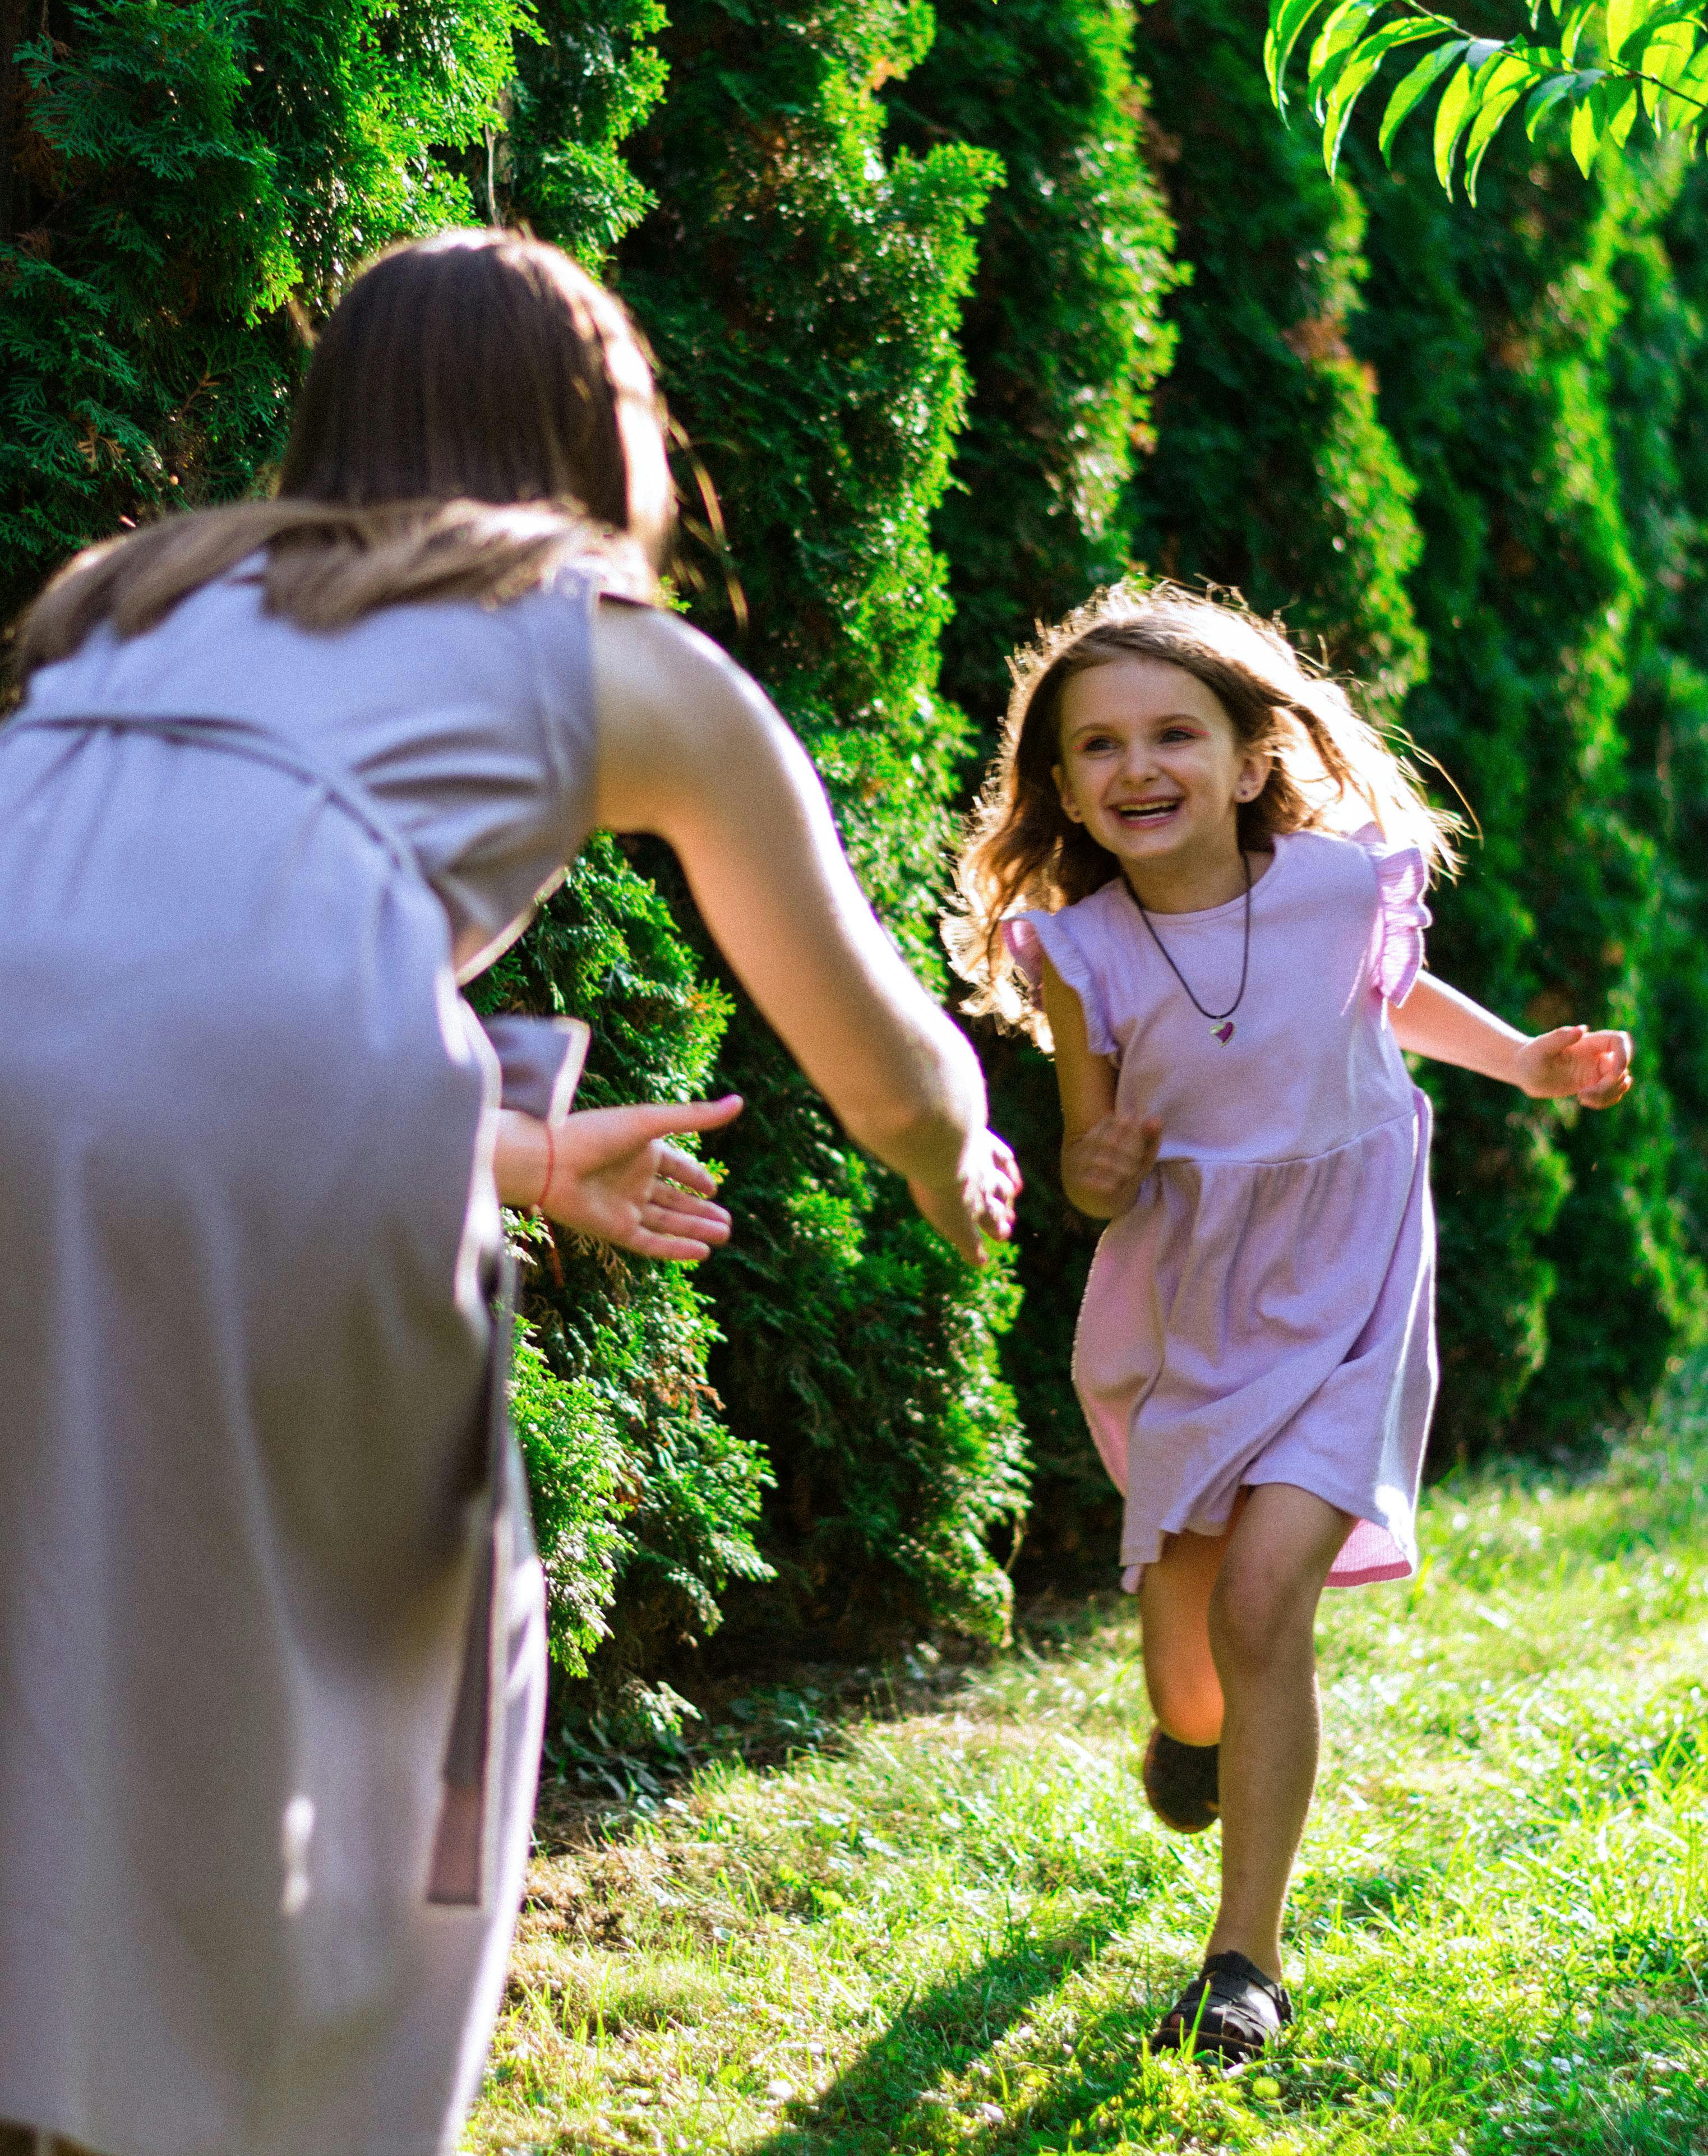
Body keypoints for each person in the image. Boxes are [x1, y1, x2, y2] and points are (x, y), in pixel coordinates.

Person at [0, 228, 1019, 2156]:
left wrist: (530, 1155)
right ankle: (241, 2105)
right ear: (592, 431)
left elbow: (127, 997)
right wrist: (951, 1143)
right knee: (394, 1659)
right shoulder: (604, 651)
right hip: (255, 1139)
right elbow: (872, 1033)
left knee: (46, 1594)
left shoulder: (125, 595)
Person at [946, 581, 1631, 2065]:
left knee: (1266, 1604)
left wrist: (1525, 1060)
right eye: (1100, 746)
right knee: (1187, 1630)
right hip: (1193, 1290)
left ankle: (1243, 1956)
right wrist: (1096, 1162)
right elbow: (1084, 1155)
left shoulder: (1334, 884)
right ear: (1061, 785)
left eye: (1174, 733)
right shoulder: (1084, 953)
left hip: (1353, 1273)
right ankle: (1191, 1734)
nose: (1139, 768)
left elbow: (1393, 1001)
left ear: (1253, 756)